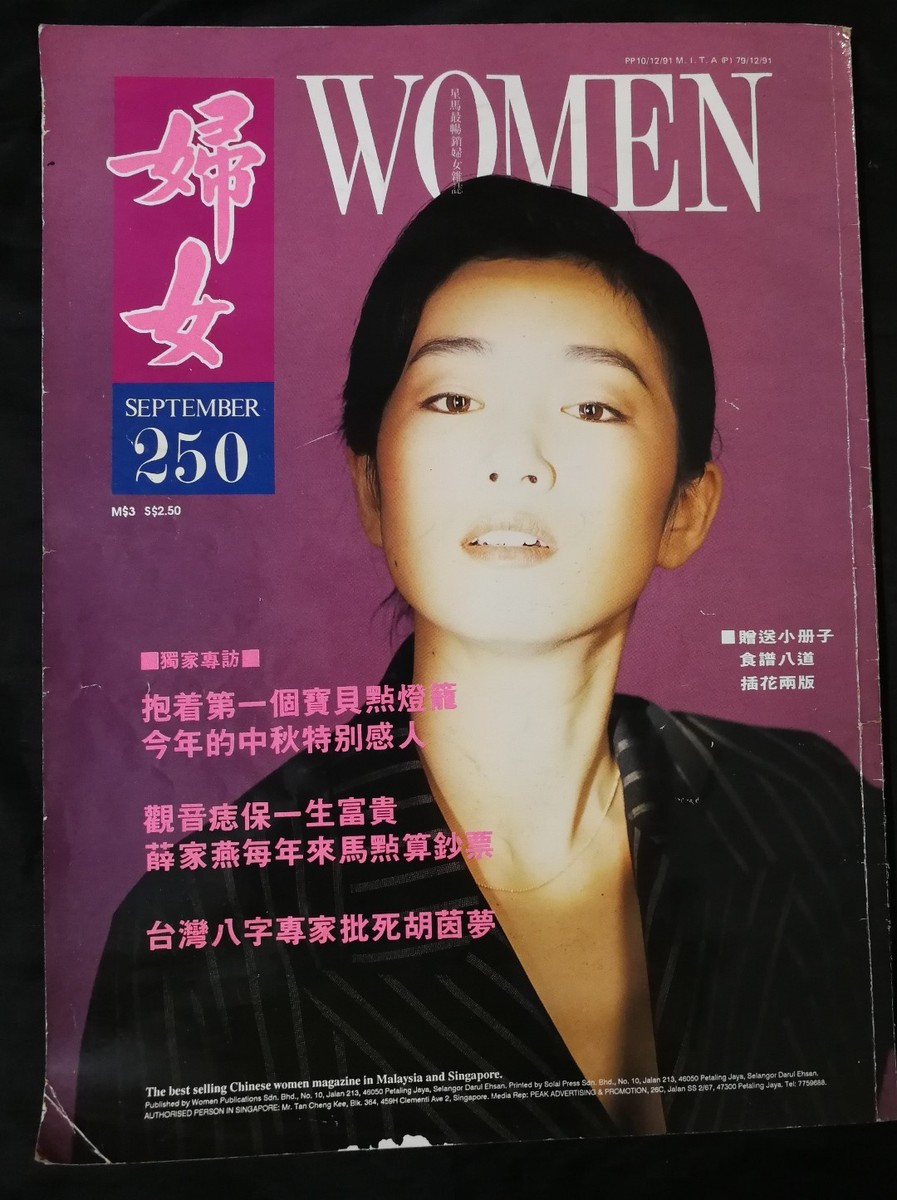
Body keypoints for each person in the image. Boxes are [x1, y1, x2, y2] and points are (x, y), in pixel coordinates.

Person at [74, 176, 892, 1161]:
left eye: (593, 407)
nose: (518, 460)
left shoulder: (819, 819)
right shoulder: (208, 922)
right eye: (454, 398)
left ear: (685, 507)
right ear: (371, 486)